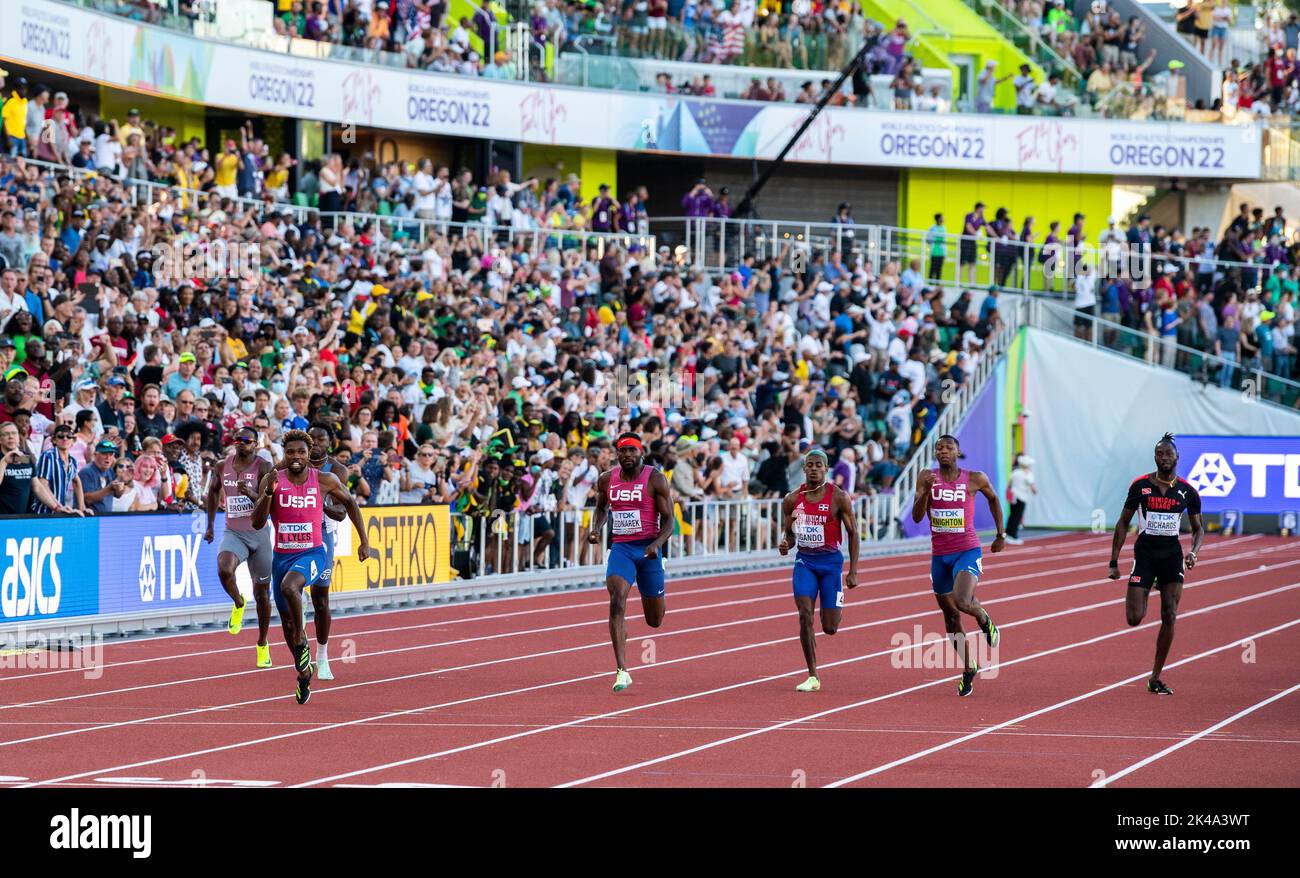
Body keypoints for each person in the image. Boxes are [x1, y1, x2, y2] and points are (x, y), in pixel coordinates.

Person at [251, 430, 370, 705]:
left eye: (301, 452)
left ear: (309, 454)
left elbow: (351, 504)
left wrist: (364, 541)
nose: (296, 457)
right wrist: (267, 494)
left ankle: (304, 640)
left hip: (314, 553)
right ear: (284, 454)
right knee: (287, 624)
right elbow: (257, 523)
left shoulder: (326, 480)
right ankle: (303, 673)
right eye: (290, 452)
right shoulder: (273, 480)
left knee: (290, 587)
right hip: (282, 557)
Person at [1107, 433, 1204, 696]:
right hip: (1146, 554)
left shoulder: (1187, 491)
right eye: (1160, 454)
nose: (1164, 458)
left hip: (1172, 555)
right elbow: (1123, 523)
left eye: (1168, 454)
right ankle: (1150, 583)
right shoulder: (1140, 486)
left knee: (1170, 615)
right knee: (1134, 618)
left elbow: (1198, 529)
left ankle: (1155, 676)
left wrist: (1194, 552)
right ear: (1155, 457)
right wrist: (1114, 561)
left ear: (1177, 457)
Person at [911, 434, 1006, 697]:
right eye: (939, 448)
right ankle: (968, 668)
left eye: (948, 448)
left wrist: (1001, 534)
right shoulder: (925, 476)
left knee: (963, 600)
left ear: (957, 452)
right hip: (939, 555)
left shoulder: (975, 478)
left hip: (967, 549)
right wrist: (925, 493)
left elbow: (994, 499)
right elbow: (918, 517)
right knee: (951, 617)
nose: (943, 451)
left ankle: (984, 619)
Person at [587, 432, 674, 692]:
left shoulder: (655, 479)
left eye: (632, 451)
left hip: (648, 551)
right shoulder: (607, 480)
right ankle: (621, 670)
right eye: (622, 451)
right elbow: (601, 508)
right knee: (616, 599)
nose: (627, 455)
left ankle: (661, 569)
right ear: (617, 454)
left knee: (654, 620)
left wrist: (656, 546)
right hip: (622, 548)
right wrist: (596, 529)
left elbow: (669, 520)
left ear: (641, 453)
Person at [778, 449, 860, 692]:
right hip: (805, 562)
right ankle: (812, 674)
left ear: (826, 469)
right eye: (809, 465)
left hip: (831, 564)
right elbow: (790, 535)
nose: (813, 468)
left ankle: (834, 607)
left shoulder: (839, 497)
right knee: (805, 614)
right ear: (804, 469)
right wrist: (786, 544)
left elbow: (853, 533)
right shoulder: (792, 499)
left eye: (818, 465)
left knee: (830, 627)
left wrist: (853, 571)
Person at [204, 425, 276, 667]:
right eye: (238, 439)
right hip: (233, 531)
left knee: (263, 594)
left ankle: (263, 644)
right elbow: (213, 492)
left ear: (256, 444)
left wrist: (252, 495)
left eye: (247, 440)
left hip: (259, 534)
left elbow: (270, 503)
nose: (241, 443)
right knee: (224, 569)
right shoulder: (222, 466)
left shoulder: (264, 467)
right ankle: (238, 602)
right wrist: (211, 525)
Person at [305, 422, 351, 680]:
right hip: (293, 533)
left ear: (329, 442)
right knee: (288, 594)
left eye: (321, 439)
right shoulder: (293, 464)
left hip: (322, 535)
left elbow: (341, 511)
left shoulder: (336, 471)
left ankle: (322, 657)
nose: (316, 444)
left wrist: (318, 503)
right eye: (312, 439)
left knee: (320, 598)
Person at [1005, 454, 1036, 544]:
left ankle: (1007, 534)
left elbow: (1008, 484)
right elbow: (1033, 487)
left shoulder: (1015, 472)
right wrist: (1034, 491)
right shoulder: (1028, 474)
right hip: (1021, 497)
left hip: (1013, 496)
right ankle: (1013, 536)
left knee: (1012, 516)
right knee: (1017, 517)